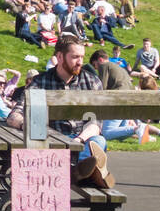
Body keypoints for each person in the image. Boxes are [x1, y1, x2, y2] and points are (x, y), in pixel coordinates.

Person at [22, 37, 115, 187]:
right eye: (75, 57)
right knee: (94, 150)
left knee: (99, 141)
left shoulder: (92, 82)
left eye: (82, 57)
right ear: (59, 57)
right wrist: (31, 126)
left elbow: (96, 122)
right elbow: (16, 114)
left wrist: (78, 140)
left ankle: (76, 172)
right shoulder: (40, 82)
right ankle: (93, 174)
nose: (80, 62)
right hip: (53, 139)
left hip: (82, 138)